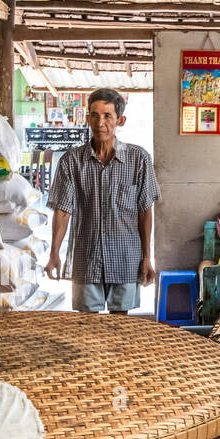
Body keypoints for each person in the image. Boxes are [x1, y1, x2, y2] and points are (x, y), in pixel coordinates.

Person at [45, 88, 160, 314]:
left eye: (107, 116)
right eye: (95, 115)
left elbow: (145, 212)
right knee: (88, 326)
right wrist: (53, 253)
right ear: (87, 118)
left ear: (120, 120)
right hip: (87, 257)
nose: (100, 123)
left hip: (125, 257)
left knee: (120, 324)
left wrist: (147, 258)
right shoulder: (71, 161)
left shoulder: (139, 159)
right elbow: (63, 211)